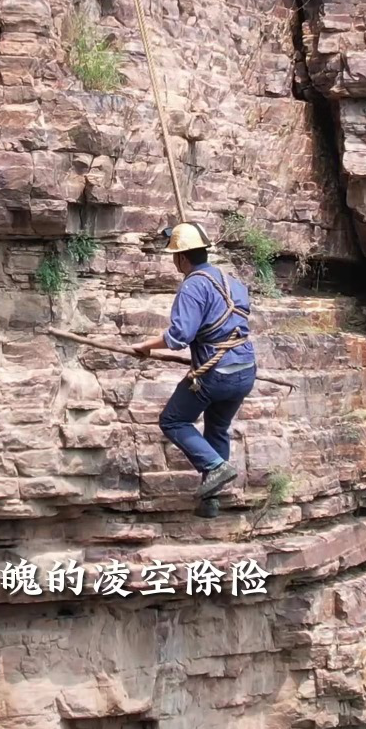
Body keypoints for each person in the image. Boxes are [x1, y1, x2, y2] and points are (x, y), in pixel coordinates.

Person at [135, 222, 256, 518]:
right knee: (217, 428)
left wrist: (146, 346)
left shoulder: (192, 286)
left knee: (173, 420)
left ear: (181, 258)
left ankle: (215, 467)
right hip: (245, 370)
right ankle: (210, 502)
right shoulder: (231, 282)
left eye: (174, 256)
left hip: (216, 374)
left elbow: (180, 336)